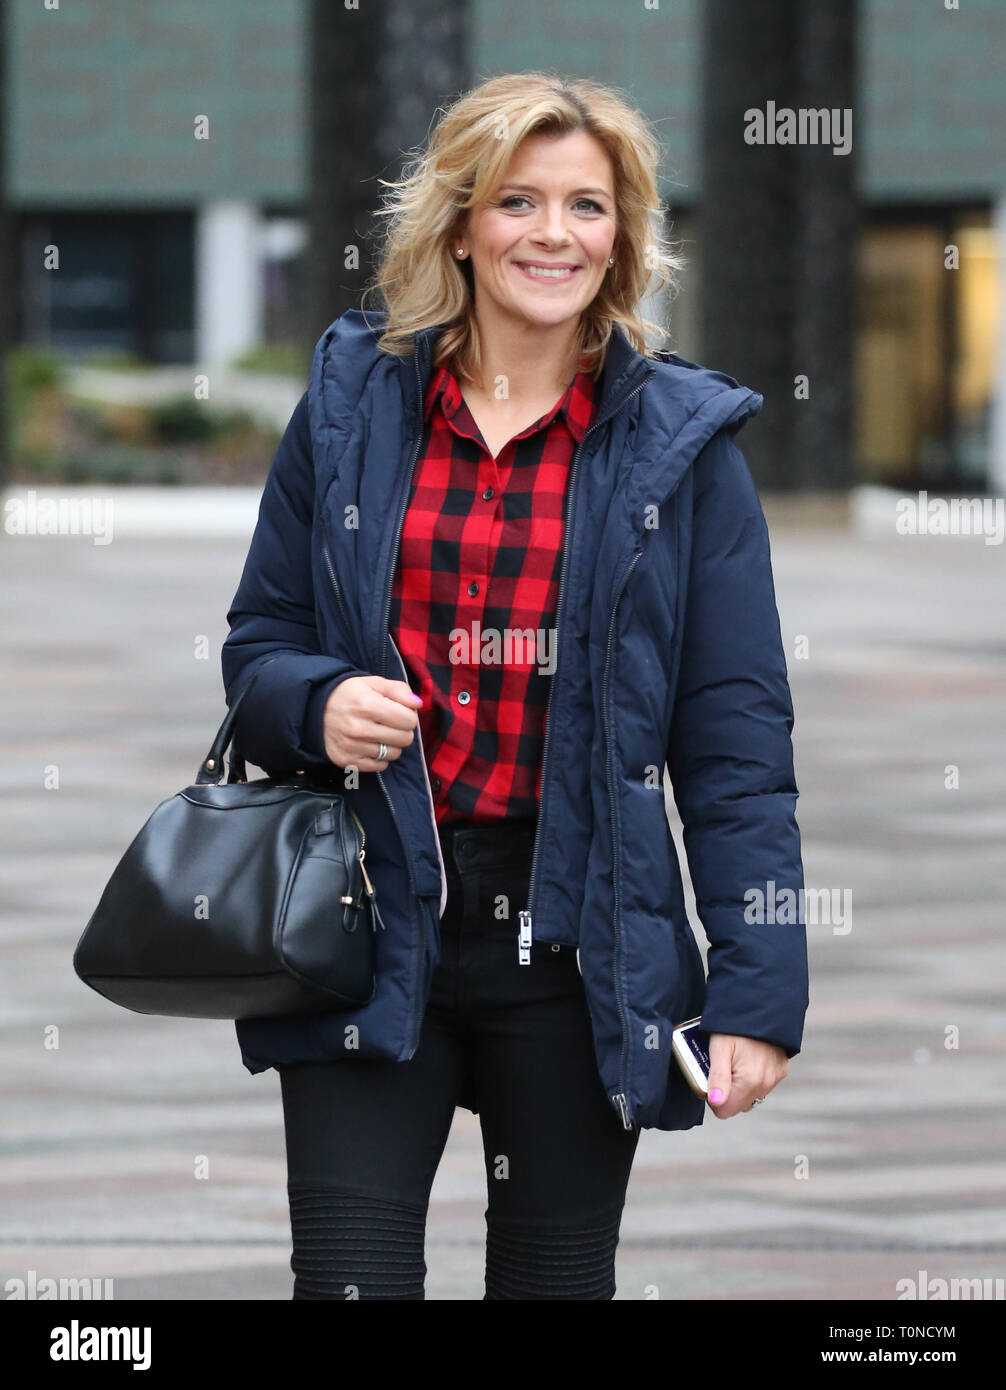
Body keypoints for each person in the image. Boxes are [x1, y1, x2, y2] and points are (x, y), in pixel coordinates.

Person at [221, 71, 809, 1301]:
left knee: (552, 1283)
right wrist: (315, 700)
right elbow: (259, 639)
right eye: (519, 201)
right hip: (368, 915)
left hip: (577, 933)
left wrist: (758, 988)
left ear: (622, 235)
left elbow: (735, 739)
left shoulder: (682, 448)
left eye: (587, 206)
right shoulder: (349, 403)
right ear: (460, 223)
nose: (553, 234)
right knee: (347, 1281)